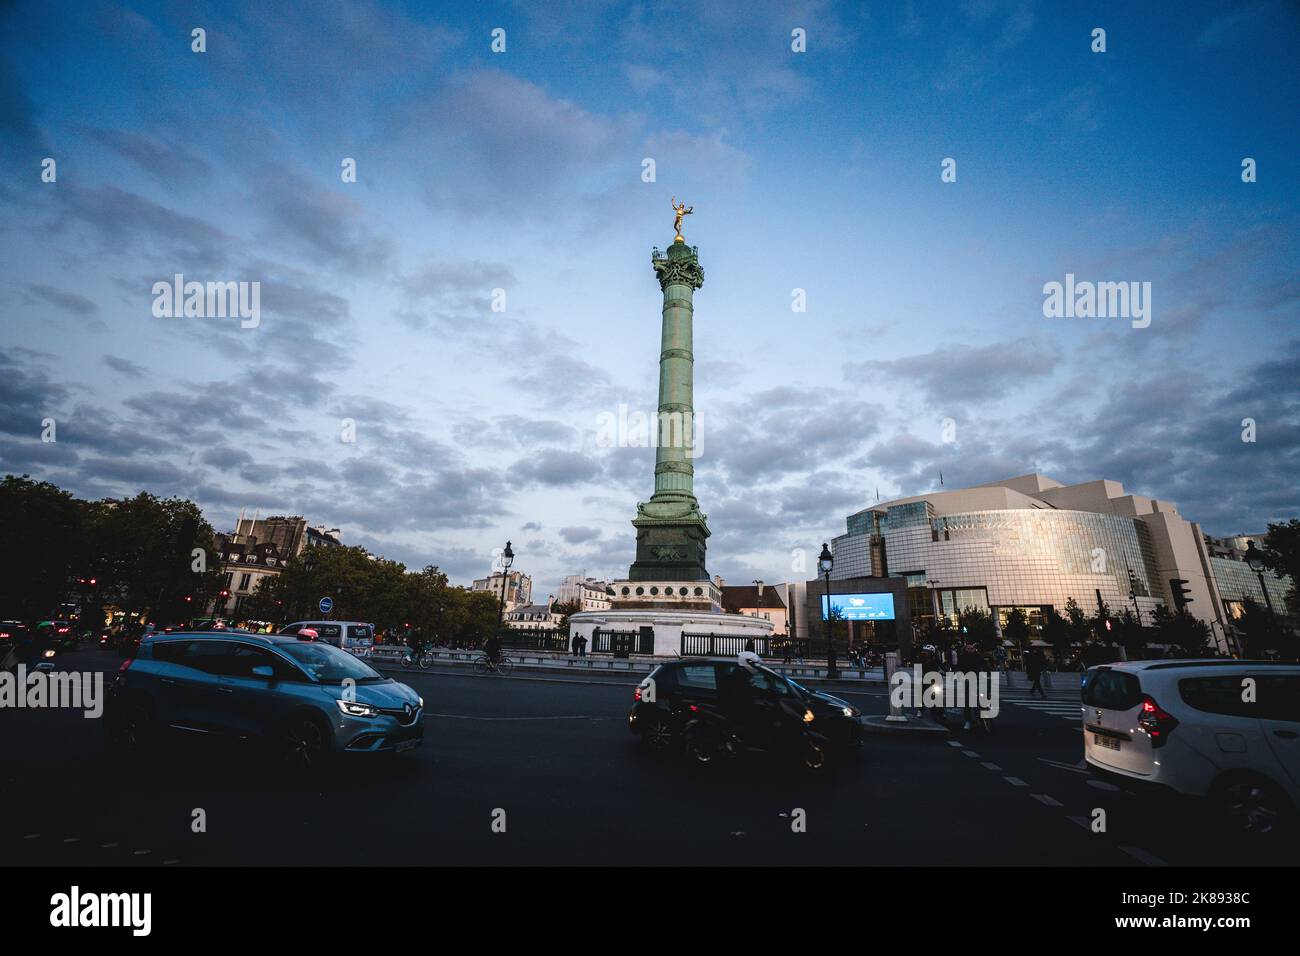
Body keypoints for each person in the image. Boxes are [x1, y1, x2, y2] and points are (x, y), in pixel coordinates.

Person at [956, 642, 988, 731]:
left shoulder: (979, 657)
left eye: (971, 648)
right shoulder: (962, 657)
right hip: (966, 679)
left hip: (978, 678)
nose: (970, 650)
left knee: (984, 695)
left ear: (974, 649)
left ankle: (985, 713)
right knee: (967, 701)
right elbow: (958, 668)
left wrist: (988, 674)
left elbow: (985, 666)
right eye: (968, 648)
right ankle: (968, 721)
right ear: (965, 650)